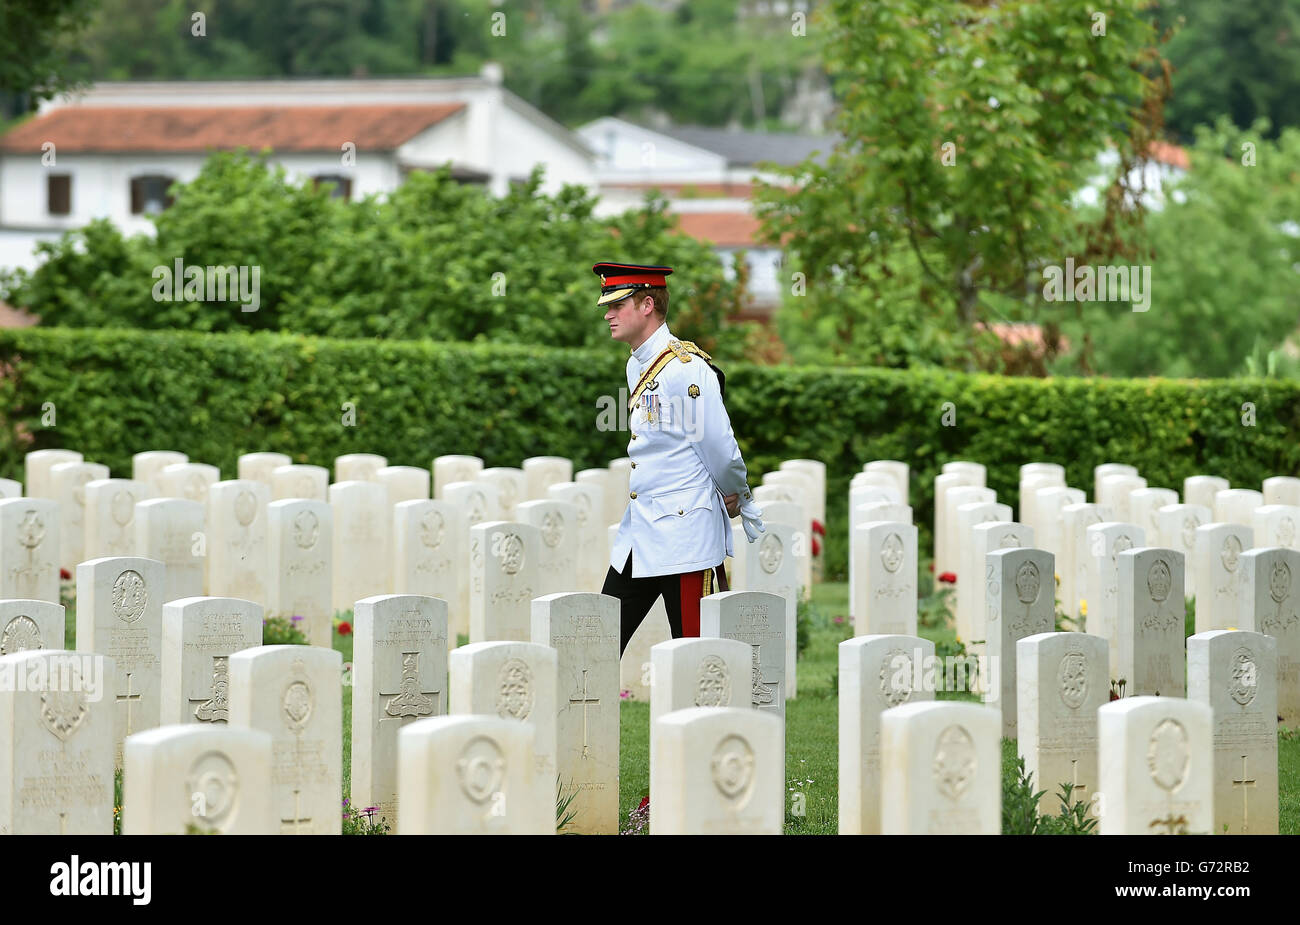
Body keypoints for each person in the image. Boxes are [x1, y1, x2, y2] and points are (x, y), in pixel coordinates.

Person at [593, 261, 764, 656]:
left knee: (696, 663)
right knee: (598, 646)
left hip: (686, 538)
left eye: (618, 304)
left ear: (647, 304)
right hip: (643, 532)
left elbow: (719, 446)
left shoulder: (685, 369)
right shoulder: (636, 364)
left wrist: (737, 492)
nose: (608, 314)